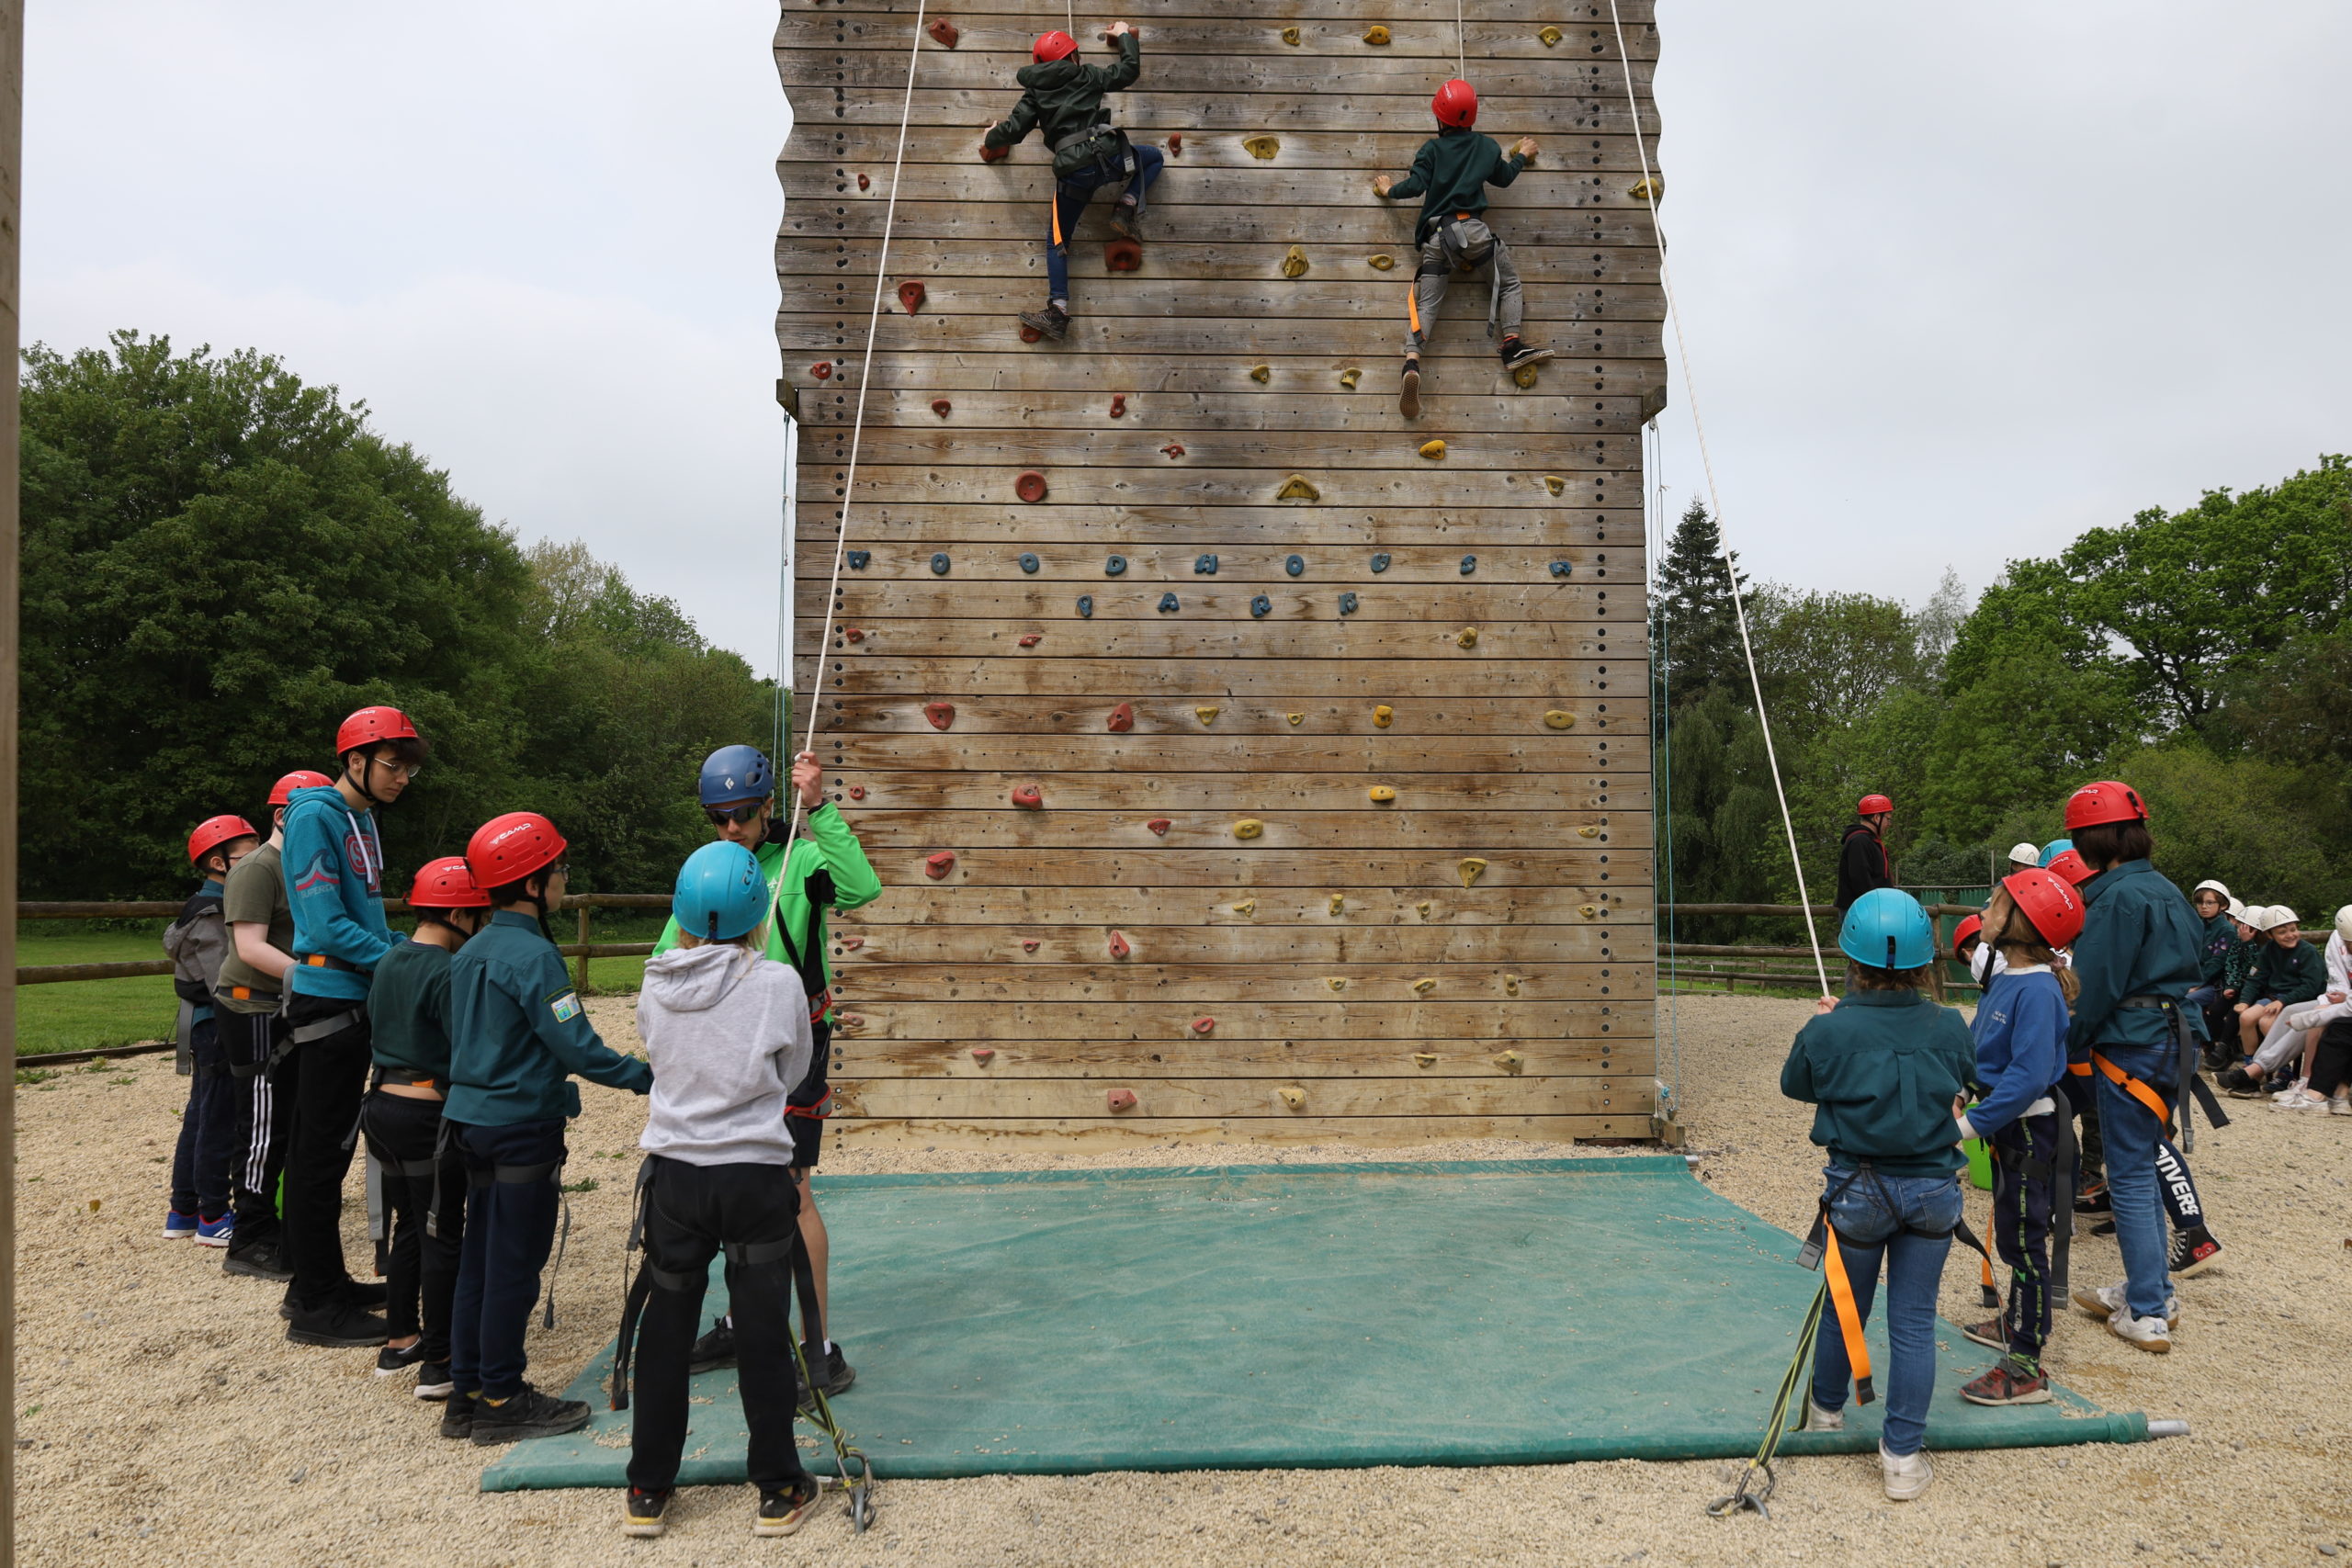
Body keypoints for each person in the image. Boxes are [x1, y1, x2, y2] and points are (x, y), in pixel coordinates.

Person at [660, 746, 881, 1401]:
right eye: (718, 816)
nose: (732, 828)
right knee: (732, 1184)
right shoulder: (712, 868)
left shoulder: (804, 861)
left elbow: (863, 888)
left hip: (794, 1046)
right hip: (726, 1045)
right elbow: (668, 949)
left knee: (791, 1190)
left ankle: (817, 1346)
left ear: (765, 807)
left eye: (744, 815)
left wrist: (819, 808)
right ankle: (739, 1320)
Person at [617, 842, 822, 1540]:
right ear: (756, 911)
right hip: (751, 1172)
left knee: (667, 1327)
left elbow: (659, 1054)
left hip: (675, 1172)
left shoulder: (654, 981)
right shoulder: (777, 983)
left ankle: (647, 1487)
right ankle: (777, 1486)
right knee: (762, 1329)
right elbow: (793, 1070)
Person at [443, 811, 652, 1445]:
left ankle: (466, 1393)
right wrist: (647, 1077)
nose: (564, 875)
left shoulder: (472, 949)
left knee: (477, 1260)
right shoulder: (534, 956)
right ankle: (503, 1397)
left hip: (468, 1122)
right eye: (557, 867)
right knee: (513, 1264)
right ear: (532, 883)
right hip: (520, 1127)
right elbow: (578, 1047)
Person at [1783, 888, 1974, 1502]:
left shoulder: (1828, 1028)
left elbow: (1797, 1084)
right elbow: (1965, 1074)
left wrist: (1834, 1025)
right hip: (1930, 1188)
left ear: (1852, 961)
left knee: (1847, 1307)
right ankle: (1900, 1457)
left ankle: (1826, 1415)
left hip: (1859, 1186)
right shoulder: (1948, 1022)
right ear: (1924, 962)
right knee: (1914, 1320)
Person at [278, 706, 425, 1346]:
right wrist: (401, 959)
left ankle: (319, 1280)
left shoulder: (361, 818)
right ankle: (316, 1303)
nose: (403, 777)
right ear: (355, 760)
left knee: (326, 1147)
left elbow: (362, 921)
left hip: (354, 995)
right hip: (328, 1000)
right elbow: (324, 924)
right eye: (394, 764)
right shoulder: (317, 815)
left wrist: (409, 944)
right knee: (320, 1153)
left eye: (409, 767)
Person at [2060, 781, 2207, 1353]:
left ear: (2093, 837)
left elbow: (2095, 987)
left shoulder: (2116, 899)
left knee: (2128, 1171)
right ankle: (2153, 1290)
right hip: (2174, 1036)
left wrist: (2063, 1042)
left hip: (2133, 1042)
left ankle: (2146, 1310)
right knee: (2141, 1162)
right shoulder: (2166, 889)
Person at [361, 856, 492, 1402]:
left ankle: (400, 1338)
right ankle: (440, 1360)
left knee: (408, 1226)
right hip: (424, 1113)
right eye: (479, 916)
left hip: (380, 1108)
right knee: (443, 1233)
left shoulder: (390, 959)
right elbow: (465, 1049)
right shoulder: (448, 970)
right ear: (460, 912)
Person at [1953, 869, 2084, 1406]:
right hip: (2008, 1125)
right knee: (2011, 1231)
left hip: (2031, 1128)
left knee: (2025, 1242)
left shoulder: (2037, 991)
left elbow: (2028, 1076)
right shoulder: (2006, 977)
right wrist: (1962, 1088)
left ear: (2021, 922)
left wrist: (1966, 1127)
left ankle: (2028, 1363)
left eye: (1992, 906)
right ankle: (2015, 1320)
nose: (1982, 915)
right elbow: (1983, 1048)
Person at [1374, 77, 1553, 419]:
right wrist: (1521, 156)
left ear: (1440, 118)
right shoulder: (1486, 147)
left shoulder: (1431, 150)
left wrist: (1387, 190)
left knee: (1427, 304)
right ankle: (1512, 345)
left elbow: (1414, 186)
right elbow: (1502, 178)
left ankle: (1412, 362)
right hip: (1473, 233)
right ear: (1471, 116)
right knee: (1509, 284)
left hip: (1438, 237)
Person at [215, 769, 333, 1284]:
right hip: (254, 1007)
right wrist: (321, 980)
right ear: (283, 816)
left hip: (287, 1004)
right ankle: (250, 1236)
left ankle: (274, 1221)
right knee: (263, 1122)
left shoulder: (307, 867)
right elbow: (250, 948)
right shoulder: (258, 869)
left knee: (289, 1114)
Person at [982, 22, 1162, 343]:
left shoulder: (1035, 91)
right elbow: (1128, 70)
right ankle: (1126, 204)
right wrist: (1123, 34)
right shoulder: (1088, 75)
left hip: (1075, 173)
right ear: (1074, 56)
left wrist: (990, 135)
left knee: (1058, 240)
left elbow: (1014, 131)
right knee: (1152, 158)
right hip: (1110, 160)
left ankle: (1059, 310)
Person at [164, 814, 261, 1246]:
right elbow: (223, 982)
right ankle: (212, 1214)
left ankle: (183, 1210)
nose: (258, 858)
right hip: (218, 1027)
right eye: (249, 851)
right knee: (217, 1120)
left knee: (200, 1116)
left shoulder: (206, 907)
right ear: (221, 864)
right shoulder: (213, 914)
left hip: (206, 1027)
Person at [2185, 881, 2239, 1054]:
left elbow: (2216, 962)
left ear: (2222, 905)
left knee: (2187, 1002)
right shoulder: (2199, 927)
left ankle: (2205, 1043)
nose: (2203, 907)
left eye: (2209, 903)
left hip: (2216, 985)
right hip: (2197, 979)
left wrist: (2196, 984)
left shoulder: (2226, 930)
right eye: (2200, 903)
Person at [1833, 794, 1896, 915]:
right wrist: (1875, 908)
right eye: (1888, 819)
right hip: (1862, 912)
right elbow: (1860, 879)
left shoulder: (1870, 841)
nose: (1889, 824)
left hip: (1870, 909)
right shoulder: (1859, 841)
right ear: (1877, 817)